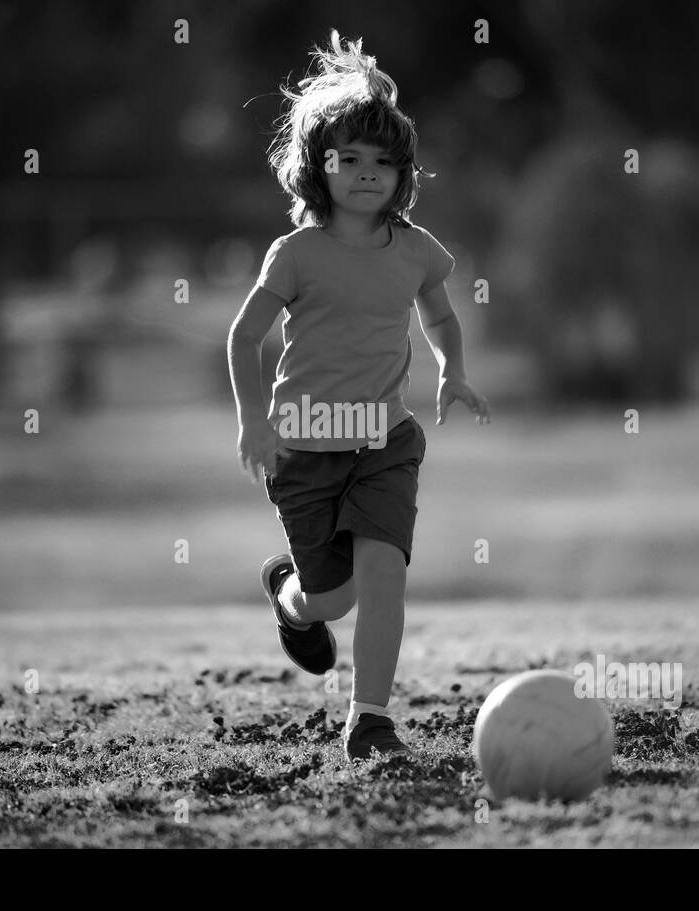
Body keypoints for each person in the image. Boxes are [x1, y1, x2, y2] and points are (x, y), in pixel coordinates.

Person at [226, 30, 491, 762]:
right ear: (320, 166)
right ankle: (288, 592)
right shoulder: (296, 253)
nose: (367, 174)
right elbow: (243, 338)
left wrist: (453, 367)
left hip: (385, 443)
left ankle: (369, 719)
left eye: (383, 163)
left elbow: (438, 313)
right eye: (349, 160)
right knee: (331, 598)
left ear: (403, 173)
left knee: (383, 572)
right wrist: (254, 423)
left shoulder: (414, 249)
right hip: (305, 447)